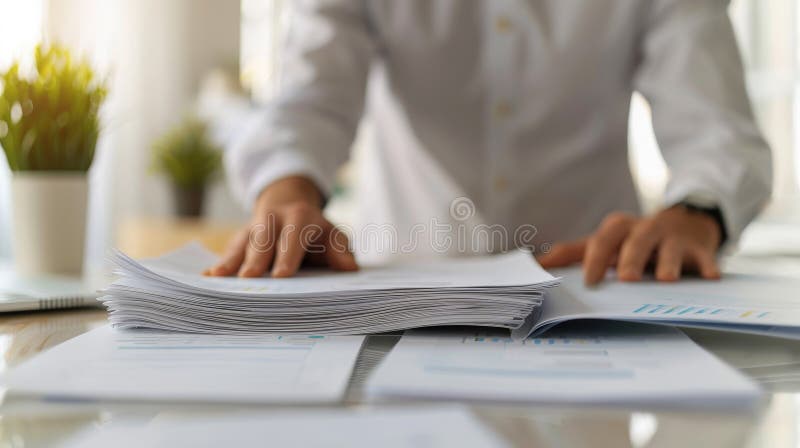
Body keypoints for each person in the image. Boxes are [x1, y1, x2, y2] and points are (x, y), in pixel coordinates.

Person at [206, 0, 772, 285]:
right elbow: (311, 99)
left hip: (598, 296)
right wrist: (285, 193)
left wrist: (695, 213)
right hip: (401, 294)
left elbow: (716, 131)